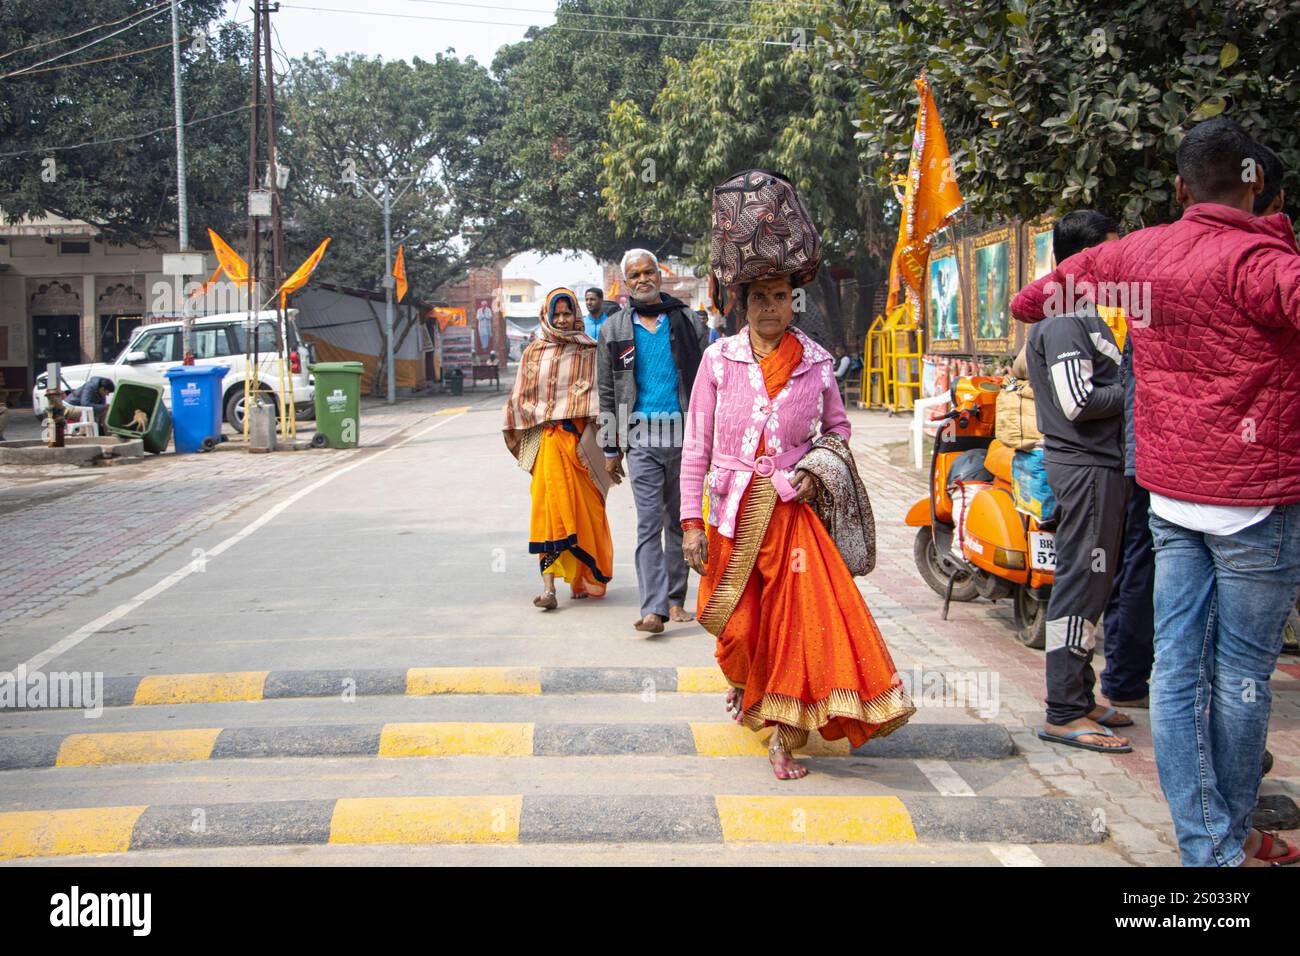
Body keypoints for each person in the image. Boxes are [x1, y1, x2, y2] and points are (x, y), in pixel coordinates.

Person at [1012, 118, 1300, 867]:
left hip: (1171, 498)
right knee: (1239, 677)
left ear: (1179, 187)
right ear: (1256, 181)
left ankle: (1216, 842)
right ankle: (1218, 845)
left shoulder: (1142, 255)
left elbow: (1030, 299)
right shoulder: (1260, 264)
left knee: (1177, 672)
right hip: (1255, 505)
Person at [681, 274, 913, 779]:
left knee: (799, 627)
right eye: (759, 298)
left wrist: (814, 471)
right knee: (736, 630)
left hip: (790, 514)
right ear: (743, 304)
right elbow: (696, 443)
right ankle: (744, 680)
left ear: (793, 303)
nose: (769, 307)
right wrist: (690, 522)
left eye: (780, 298)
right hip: (730, 513)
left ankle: (783, 735)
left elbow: (838, 429)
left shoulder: (817, 362)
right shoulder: (718, 360)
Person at [1019, 210, 1132, 754]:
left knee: (1095, 587)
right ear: (1086, 259)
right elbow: (1079, 400)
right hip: (1085, 467)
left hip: (1097, 467)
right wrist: (1137, 390)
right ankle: (1064, 708)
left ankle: (1080, 696)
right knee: (1080, 586)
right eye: (1110, 254)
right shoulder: (1065, 318)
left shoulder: (1083, 313)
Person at [596, 248, 708, 634]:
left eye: (648, 273)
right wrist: (611, 448)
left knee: (680, 521)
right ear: (626, 284)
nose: (642, 280)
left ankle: (676, 600)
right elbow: (607, 391)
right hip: (641, 439)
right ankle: (652, 609)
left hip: (685, 439)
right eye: (635, 276)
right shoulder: (614, 330)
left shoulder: (688, 322)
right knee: (648, 525)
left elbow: (707, 386)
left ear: (658, 276)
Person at [503, 288, 614, 610]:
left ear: (576, 314)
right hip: (548, 446)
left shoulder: (592, 352)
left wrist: (611, 446)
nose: (563, 320)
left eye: (568, 313)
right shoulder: (533, 354)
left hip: (583, 447)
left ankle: (581, 578)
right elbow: (520, 400)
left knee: (586, 514)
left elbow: (604, 398)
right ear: (548, 317)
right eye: (557, 315)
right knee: (548, 515)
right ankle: (548, 588)